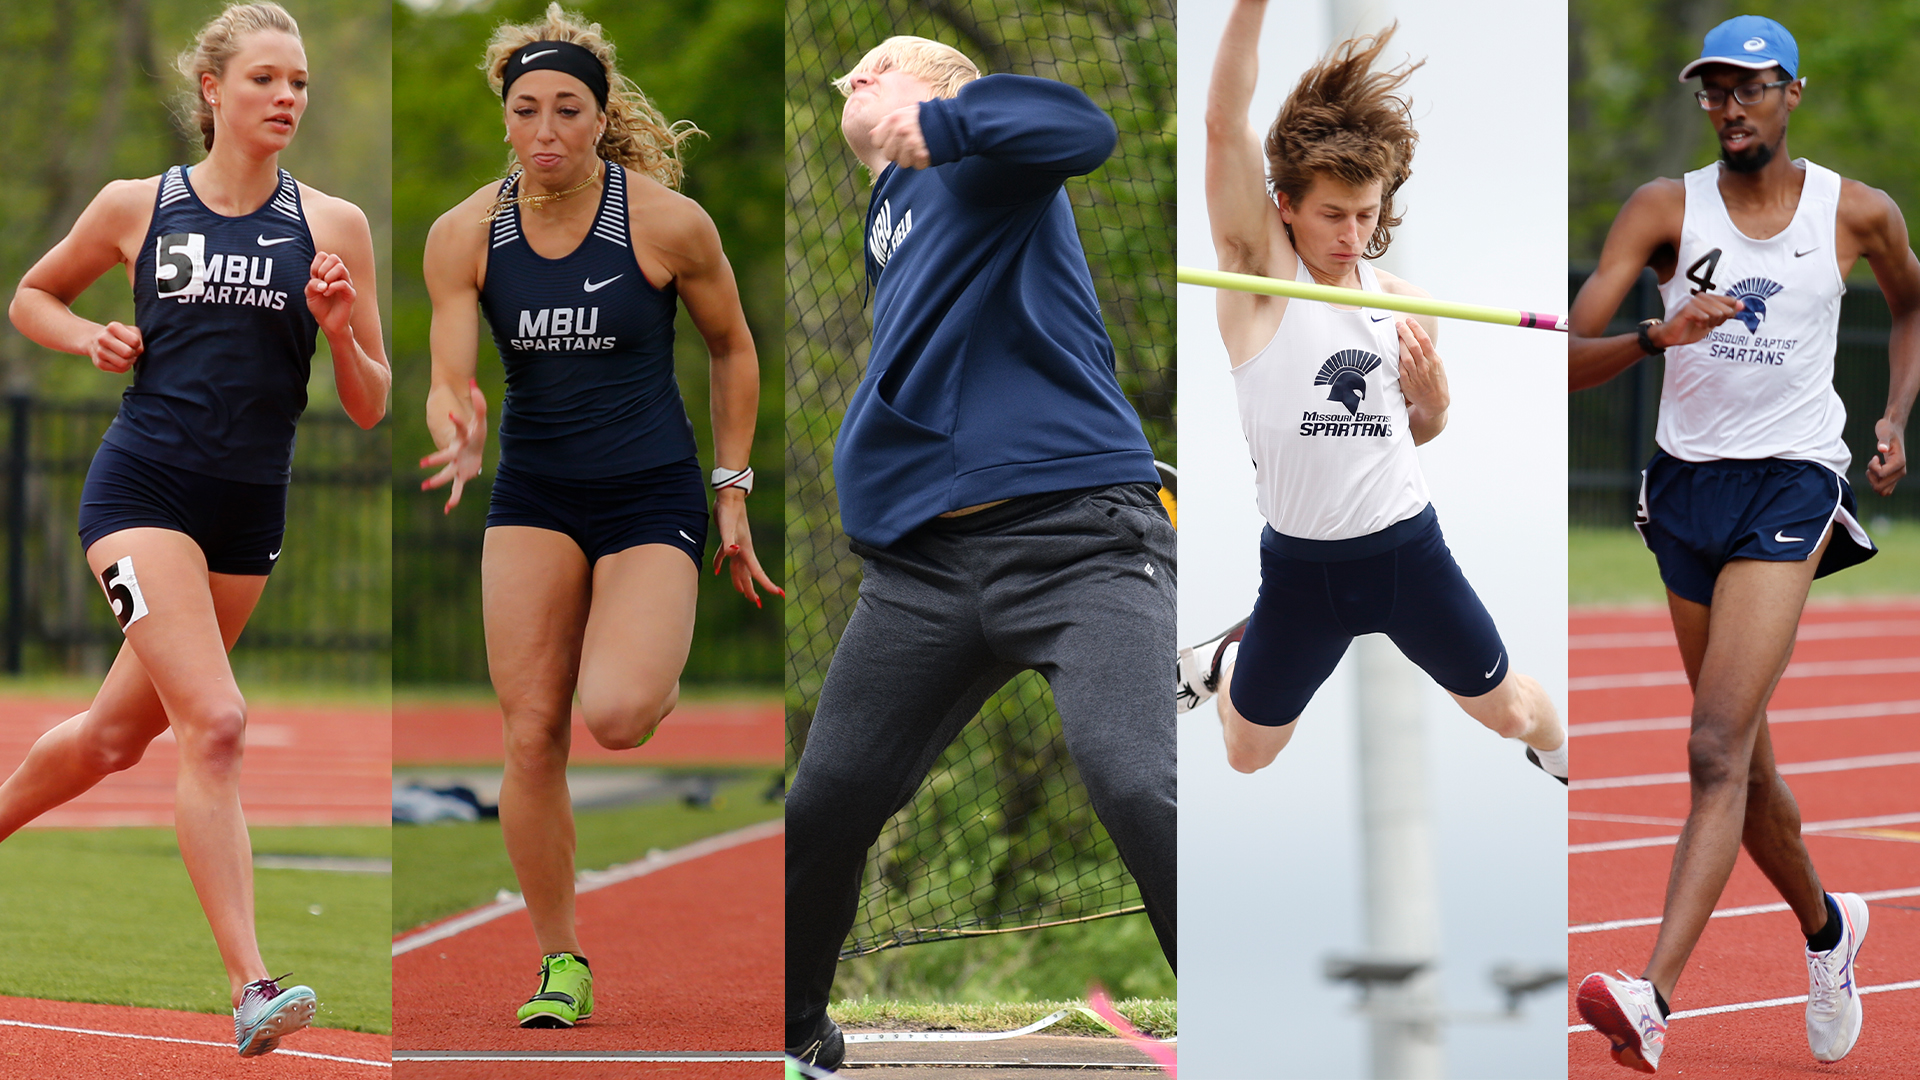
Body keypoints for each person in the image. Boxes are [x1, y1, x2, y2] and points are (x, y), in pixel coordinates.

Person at [782, 35, 1177, 1071]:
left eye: (885, 63)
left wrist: (949, 122)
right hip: (923, 574)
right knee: (822, 806)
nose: (859, 75)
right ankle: (793, 1035)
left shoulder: (980, 155)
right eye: (855, 72)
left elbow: (1084, 128)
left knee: (1140, 785)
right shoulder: (891, 209)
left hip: (1080, 546)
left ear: (945, 92)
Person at [0, 1, 388, 1056]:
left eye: (299, 82)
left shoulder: (334, 226)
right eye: (265, 78)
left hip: (247, 514)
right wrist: (87, 337)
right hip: (141, 494)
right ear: (212, 89)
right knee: (214, 722)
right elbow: (31, 296)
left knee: (115, 738)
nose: (287, 97)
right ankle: (252, 985)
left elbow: (370, 405)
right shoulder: (139, 205)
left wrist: (342, 333)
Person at [1568, 15, 1920, 1073]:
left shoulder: (1855, 211)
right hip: (1686, 489)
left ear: (1791, 93)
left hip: (1793, 482)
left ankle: (1653, 996)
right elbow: (1568, 358)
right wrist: (1655, 334)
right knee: (1748, 767)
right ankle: (1828, 929)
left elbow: (1911, 306)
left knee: (1713, 748)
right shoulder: (1661, 208)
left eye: (1750, 88)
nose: (1729, 107)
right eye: (1714, 90)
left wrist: (1894, 414)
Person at [418, 2, 775, 1029]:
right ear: (505, 116)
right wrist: (459, 425)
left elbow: (732, 348)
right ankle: (560, 961)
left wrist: (732, 487)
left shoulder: (666, 223)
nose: (545, 129)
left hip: (647, 492)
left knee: (616, 716)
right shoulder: (464, 233)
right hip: (533, 495)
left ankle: (650, 663)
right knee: (531, 734)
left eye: (567, 109)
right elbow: (450, 376)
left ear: (601, 114)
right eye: (526, 108)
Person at [1178, 1, 1567, 787]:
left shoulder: (1408, 306)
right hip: (1300, 572)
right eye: (1332, 215)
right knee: (1248, 756)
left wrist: (1435, 405)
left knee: (1510, 716)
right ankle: (1228, 660)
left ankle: (1563, 759)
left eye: (1366, 214)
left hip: (1405, 556)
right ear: (1285, 204)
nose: (1351, 236)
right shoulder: (1256, 279)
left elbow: (1406, 435)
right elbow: (1223, 124)